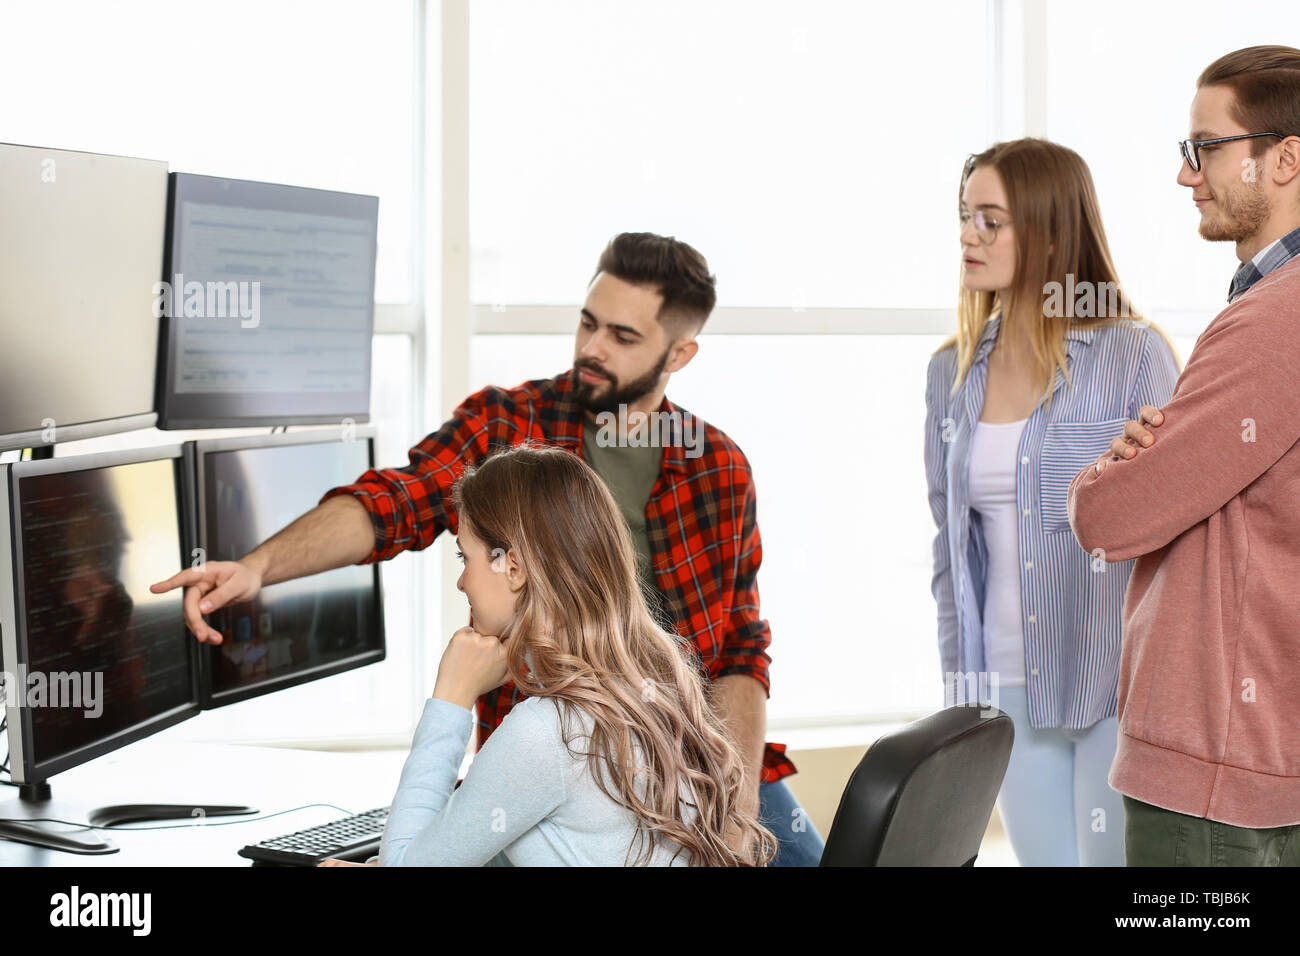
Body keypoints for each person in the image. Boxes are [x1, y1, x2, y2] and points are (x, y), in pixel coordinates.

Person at [152, 232, 824, 866]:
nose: (592, 347)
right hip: (565, 767)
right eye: (588, 322)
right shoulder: (511, 427)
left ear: (679, 354)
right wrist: (258, 567)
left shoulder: (717, 467)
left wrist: (731, 807)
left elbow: (738, 648)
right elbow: (396, 503)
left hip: (689, 757)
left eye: (622, 336)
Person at [1069, 45, 1300, 867]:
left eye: (1205, 148)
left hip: (1221, 774)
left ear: (1285, 158)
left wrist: (1108, 469)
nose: (1186, 174)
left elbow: (1111, 517)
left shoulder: (1275, 320)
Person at [924, 138, 1181, 865]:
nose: (968, 236)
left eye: (991, 221)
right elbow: (951, 552)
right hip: (1003, 684)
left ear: (1050, 234)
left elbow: (1183, 527)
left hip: (1113, 679)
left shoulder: (1137, 355)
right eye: (965, 216)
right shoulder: (951, 372)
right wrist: (961, 695)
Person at [342, 444, 775, 865]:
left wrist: (450, 699)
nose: (462, 583)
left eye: (464, 557)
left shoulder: (549, 733)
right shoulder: (654, 685)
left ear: (511, 568)